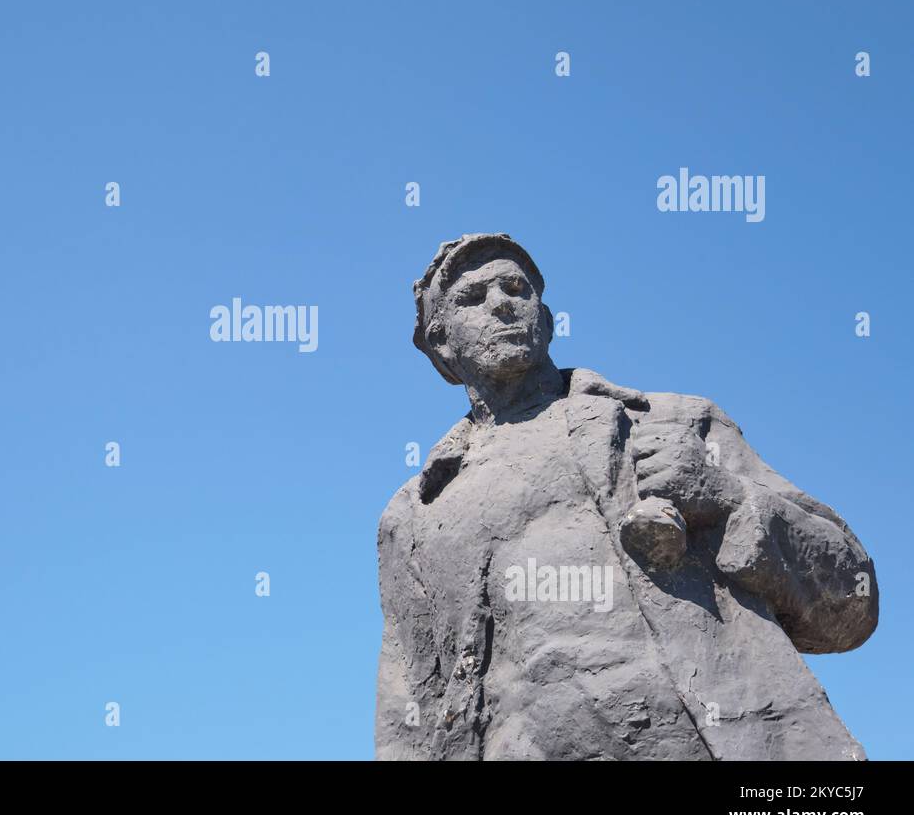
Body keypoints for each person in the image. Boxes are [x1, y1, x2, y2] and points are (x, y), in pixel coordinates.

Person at [375, 233, 879, 760]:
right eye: (473, 298)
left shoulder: (671, 423)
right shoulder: (414, 514)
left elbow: (852, 600)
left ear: (546, 322)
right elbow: (406, 713)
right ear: (442, 344)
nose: (501, 303)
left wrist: (728, 499)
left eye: (515, 288)